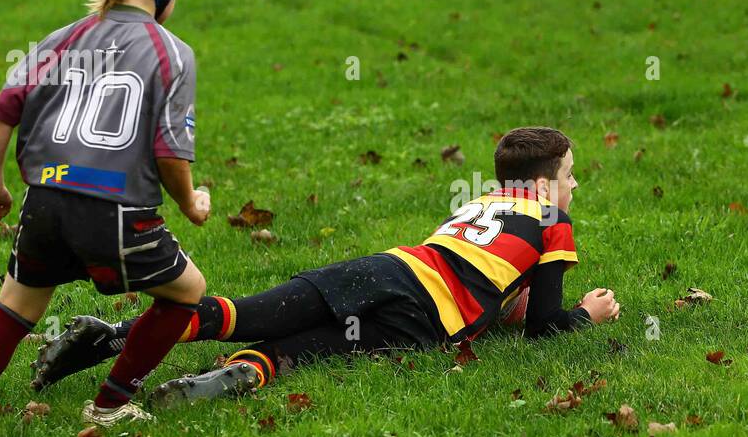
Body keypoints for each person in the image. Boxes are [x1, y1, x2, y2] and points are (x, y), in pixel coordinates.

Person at [31, 126, 620, 405]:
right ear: (546, 184)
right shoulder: (552, 220)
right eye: (570, 175)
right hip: (425, 322)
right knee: (308, 348)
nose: (573, 185)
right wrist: (587, 314)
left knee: (248, 312)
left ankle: (110, 339)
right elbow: (544, 323)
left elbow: (483, 267)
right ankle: (225, 381)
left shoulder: (482, 202)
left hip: (390, 268)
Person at [0, 0, 209, 430]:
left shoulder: (61, 38)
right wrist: (191, 203)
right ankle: (110, 404)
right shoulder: (172, 53)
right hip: (115, 209)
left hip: (44, 199)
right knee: (187, 292)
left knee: (14, 308)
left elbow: (2, 111)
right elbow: (171, 153)